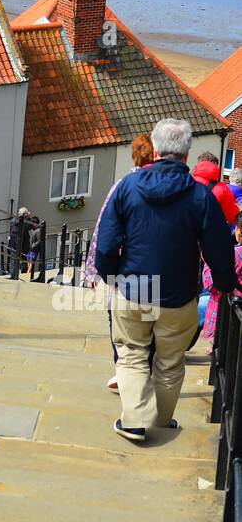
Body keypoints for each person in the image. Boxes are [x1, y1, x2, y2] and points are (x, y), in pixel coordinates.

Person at [95, 118, 235, 442]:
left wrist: (115, 277)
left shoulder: (127, 187)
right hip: (178, 294)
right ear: (186, 155)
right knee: (170, 362)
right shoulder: (201, 197)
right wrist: (225, 285)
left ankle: (134, 421)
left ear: (155, 150)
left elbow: (105, 245)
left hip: (133, 289)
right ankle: (161, 420)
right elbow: (220, 251)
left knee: (131, 352)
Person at [85, 133, 154, 390]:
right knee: (149, 324)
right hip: (161, 271)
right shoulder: (174, 185)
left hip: (128, 270)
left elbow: (104, 230)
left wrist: (97, 271)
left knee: (121, 321)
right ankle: (141, 372)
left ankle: (125, 371)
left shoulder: (124, 186)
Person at [201, 209, 242, 347]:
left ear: (238, 230)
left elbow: (210, 283)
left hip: (224, 321)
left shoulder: (233, 254)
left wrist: (208, 261)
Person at [191, 150, 239, 224]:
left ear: (198, 164)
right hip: (207, 232)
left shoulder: (185, 181)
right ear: (215, 166)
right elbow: (234, 217)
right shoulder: (222, 188)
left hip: (181, 230)